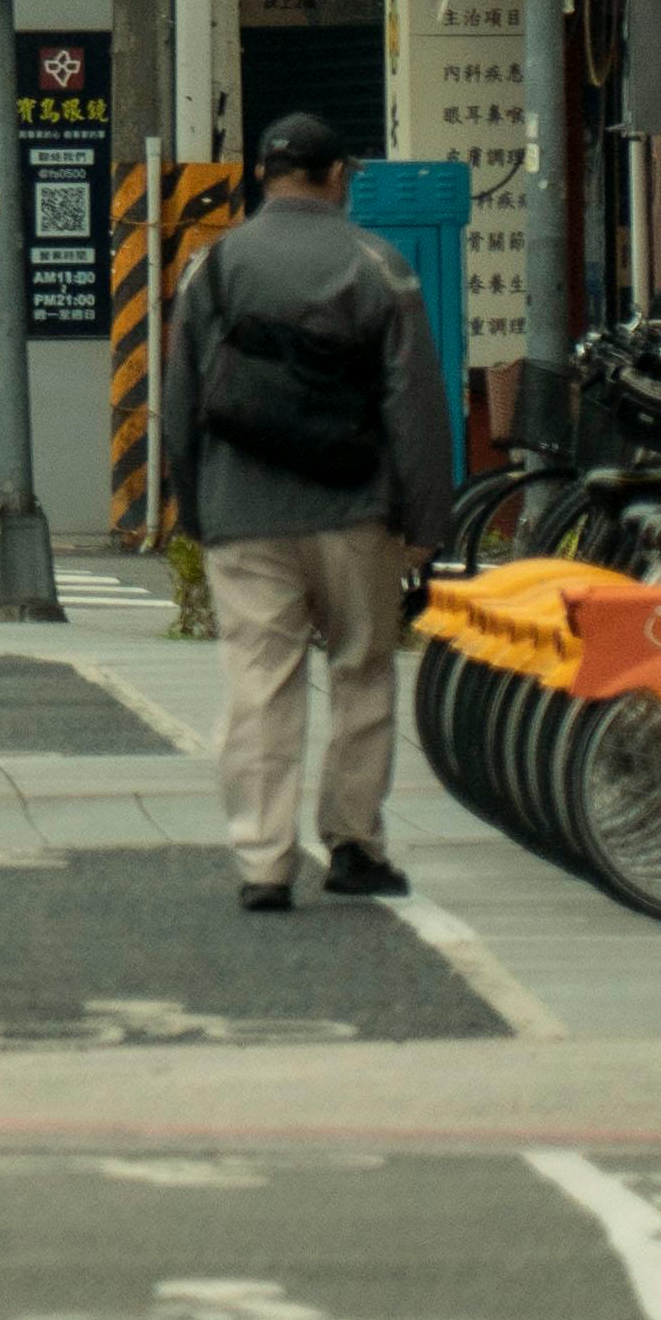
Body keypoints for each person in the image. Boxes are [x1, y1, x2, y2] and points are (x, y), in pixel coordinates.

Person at [161, 114, 456, 915]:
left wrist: (196, 507)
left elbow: (180, 398)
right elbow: (416, 404)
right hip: (353, 507)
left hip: (243, 512)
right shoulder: (377, 265)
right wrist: (426, 519)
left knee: (260, 682)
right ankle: (355, 843)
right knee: (362, 667)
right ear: (338, 176)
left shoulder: (212, 267)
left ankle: (263, 860)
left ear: (262, 175)